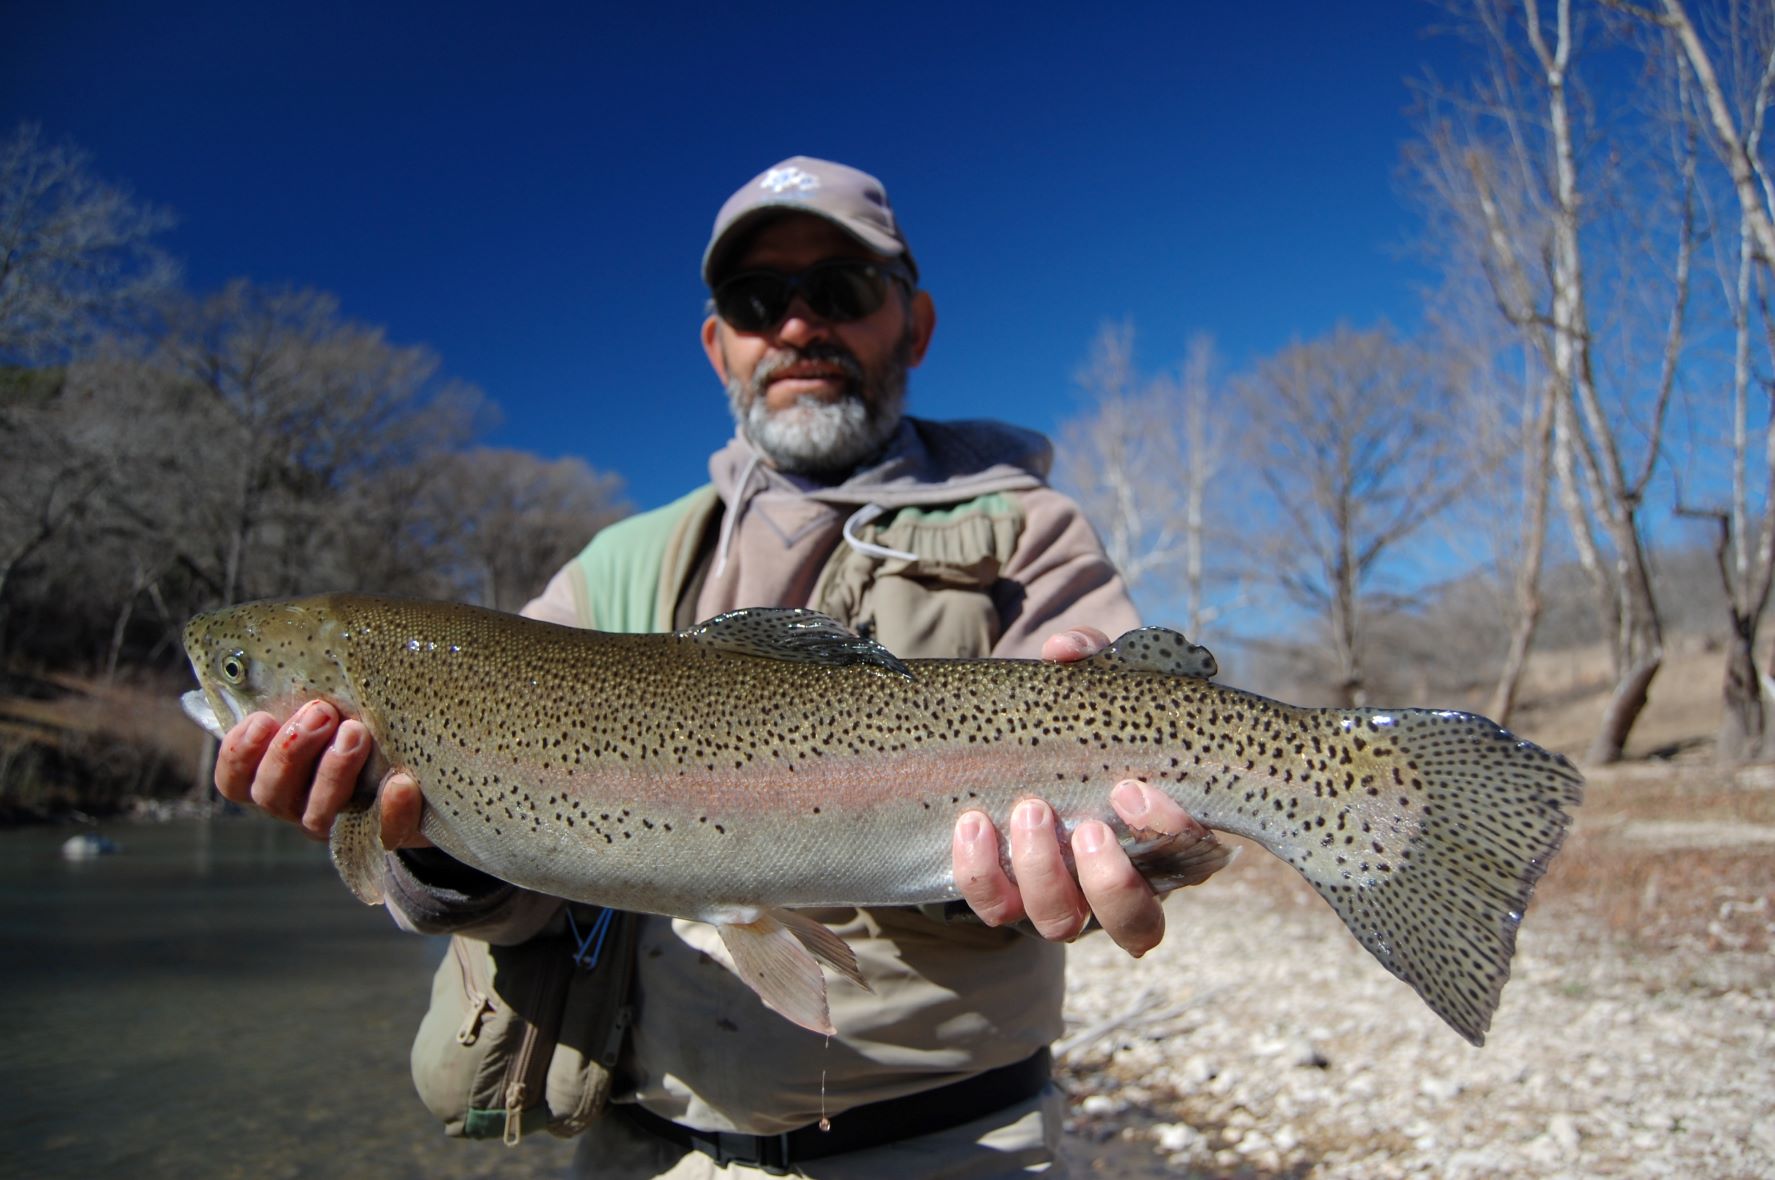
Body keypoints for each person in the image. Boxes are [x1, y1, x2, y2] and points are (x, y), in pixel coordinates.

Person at [212, 156, 1218, 1178]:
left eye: (839, 289)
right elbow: (516, 895)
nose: (795, 324)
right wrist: (421, 846)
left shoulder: (1024, 531)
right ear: (715, 344)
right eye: (755, 299)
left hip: (945, 1144)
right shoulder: (611, 569)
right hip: (636, 1150)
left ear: (910, 323)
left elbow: (1152, 819)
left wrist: (1136, 843)